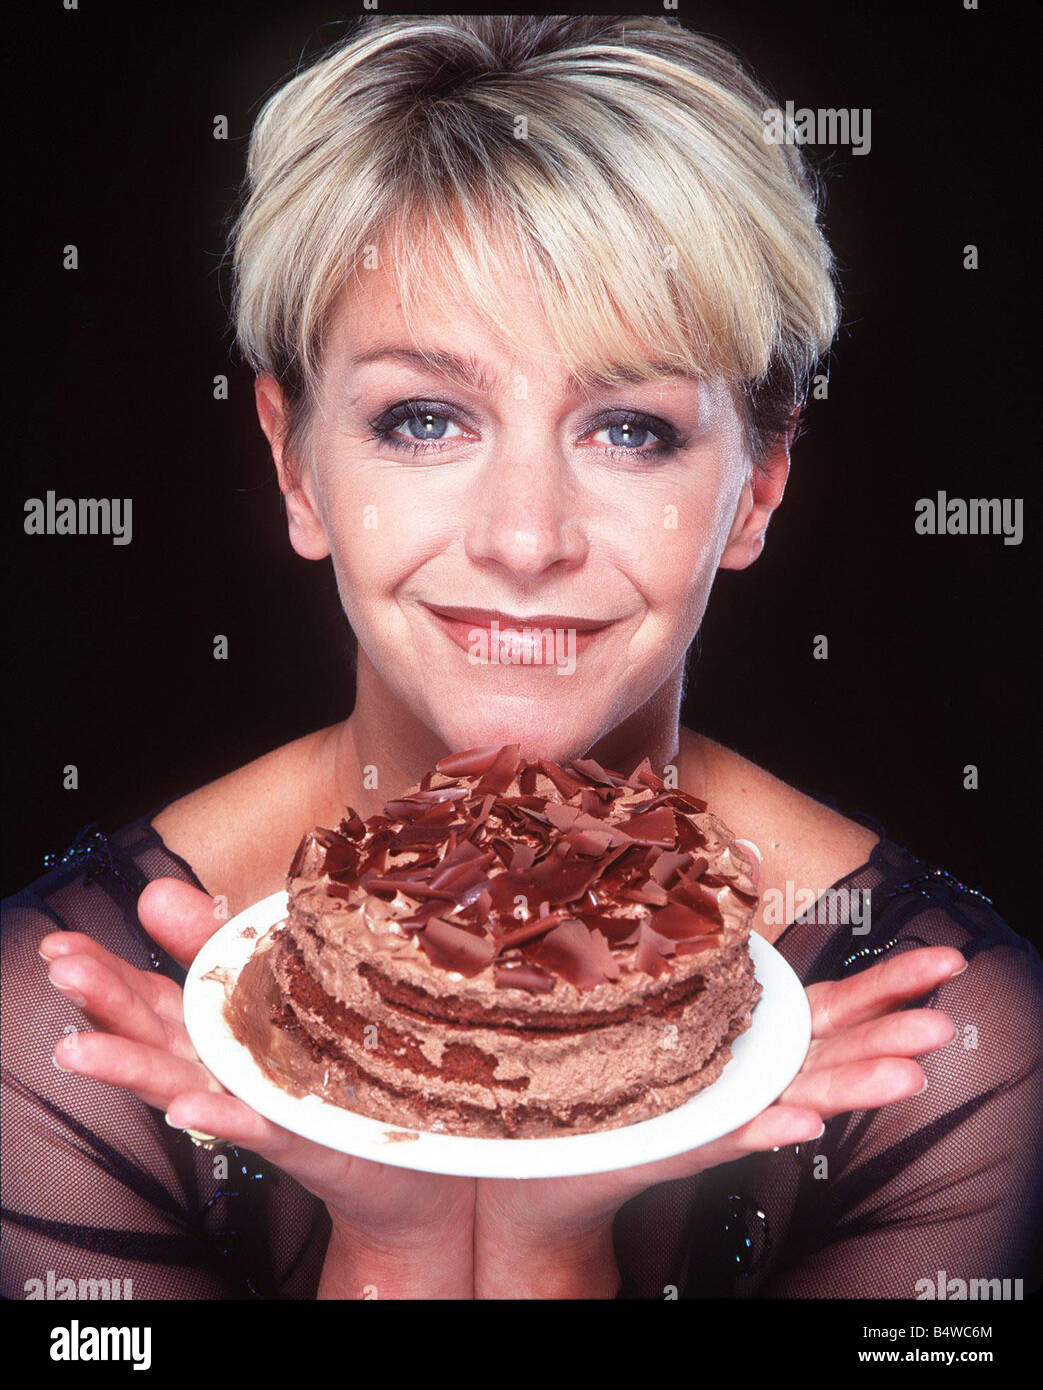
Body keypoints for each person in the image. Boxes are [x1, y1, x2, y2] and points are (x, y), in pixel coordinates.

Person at [3, 14, 1040, 1300]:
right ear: (293, 462)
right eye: (423, 419)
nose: (524, 536)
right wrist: (401, 1244)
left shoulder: (945, 1046)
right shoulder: (54, 1031)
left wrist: (546, 1244)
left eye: (629, 428)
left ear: (760, 481)